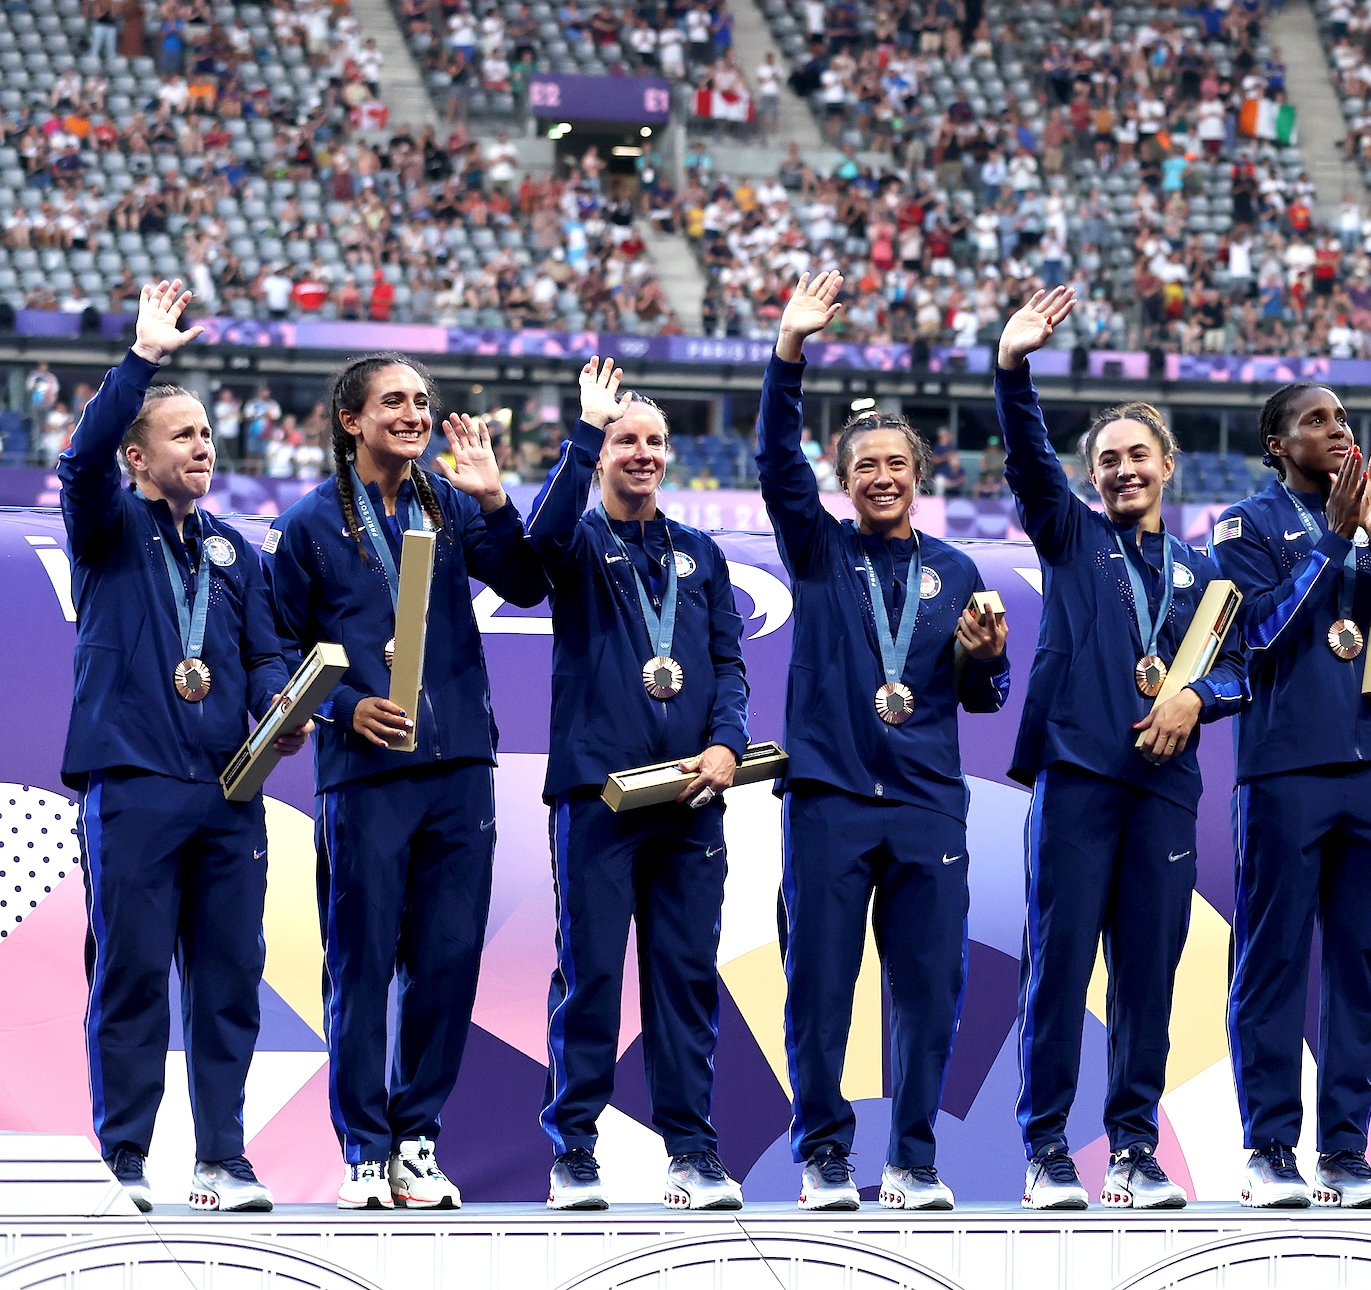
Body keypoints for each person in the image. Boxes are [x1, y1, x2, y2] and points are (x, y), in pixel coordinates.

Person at [267, 352, 551, 1209]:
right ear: (350, 420)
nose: (415, 412)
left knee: (447, 960)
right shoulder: (312, 522)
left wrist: (497, 500)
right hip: (363, 773)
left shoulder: (453, 504)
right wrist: (344, 707)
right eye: (394, 401)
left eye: (423, 400)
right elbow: (276, 651)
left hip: (458, 759)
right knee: (358, 963)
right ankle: (362, 1149)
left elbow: (530, 586)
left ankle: (417, 1142)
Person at [990, 285, 1247, 1212]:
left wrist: (1196, 694)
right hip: (1080, 777)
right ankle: (1047, 1149)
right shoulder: (1070, 536)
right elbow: (1029, 465)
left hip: (1166, 791)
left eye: (1138, 455)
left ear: (1168, 465)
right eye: (1107, 460)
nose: (1123, 470)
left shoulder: (1206, 575)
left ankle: (1134, 1150)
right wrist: (1014, 368)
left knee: (1147, 976)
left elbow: (1242, 671)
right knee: (1058, 968)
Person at [761, 269, 1012, 1211]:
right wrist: (791, 352)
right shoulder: (819, 551)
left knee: (927, 994)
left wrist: (985, 662)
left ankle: (912, 1159)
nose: (880, 477)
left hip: (924, 805)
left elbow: (980, 699)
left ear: (918, 475)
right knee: (818, 990)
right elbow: (775, 465)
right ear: (843, 478)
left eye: (894, 465)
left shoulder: (956, 570)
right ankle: (825, 1157)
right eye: (862, 465)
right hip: (829, 799)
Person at [60, 282, 301, 1213]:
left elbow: (267, 654)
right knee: (129, 976)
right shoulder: (109, 527)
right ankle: (122, 1161)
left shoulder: (238, 551)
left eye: (207, 434)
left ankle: (222, 1162)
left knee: (230, 981)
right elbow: (80, 460)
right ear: (138, 455)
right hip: (134, 783)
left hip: (230, 791)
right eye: (182, 434)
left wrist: (290, 704)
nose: (203, 446)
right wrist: (142, 361)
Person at [1214, 381, 1371, 1208]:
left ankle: (1346, 1153)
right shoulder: (1246, 525)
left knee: (1361, 967)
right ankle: (1268, 1150)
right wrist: (1332, 538)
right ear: (1279, 445)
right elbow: (1259, 635)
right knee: (1276, 961)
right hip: (1287, 768)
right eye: (1317, 420)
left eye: (1345, 418)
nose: (1339, 429)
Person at [523, 357, 751, 1212]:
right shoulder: (577, 543)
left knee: (685, 977)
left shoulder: (701, 555)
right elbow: (531, 548)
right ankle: (573, 1154)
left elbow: (729, 664)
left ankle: (691, 1155)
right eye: (626, 440)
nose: (643, 453)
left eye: (655, 441)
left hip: (693, 796)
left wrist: (727, 746)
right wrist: (582, 437)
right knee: (590, 976)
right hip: (599, 794)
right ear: (602, 451)